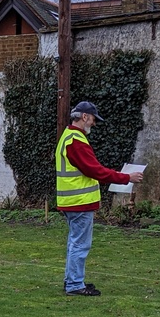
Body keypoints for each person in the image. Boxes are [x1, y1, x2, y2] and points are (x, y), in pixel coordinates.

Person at [55, 101, 143, 296]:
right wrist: (126, 177)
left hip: (71, 202)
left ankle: (73, 280)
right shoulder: (76, 141)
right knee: (80, 244)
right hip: (79, 203)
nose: (94, 123)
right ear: (85, 117)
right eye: (93, 119)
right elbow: (95, 170)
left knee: (74, 242)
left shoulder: (68, 137)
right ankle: (75, 285)